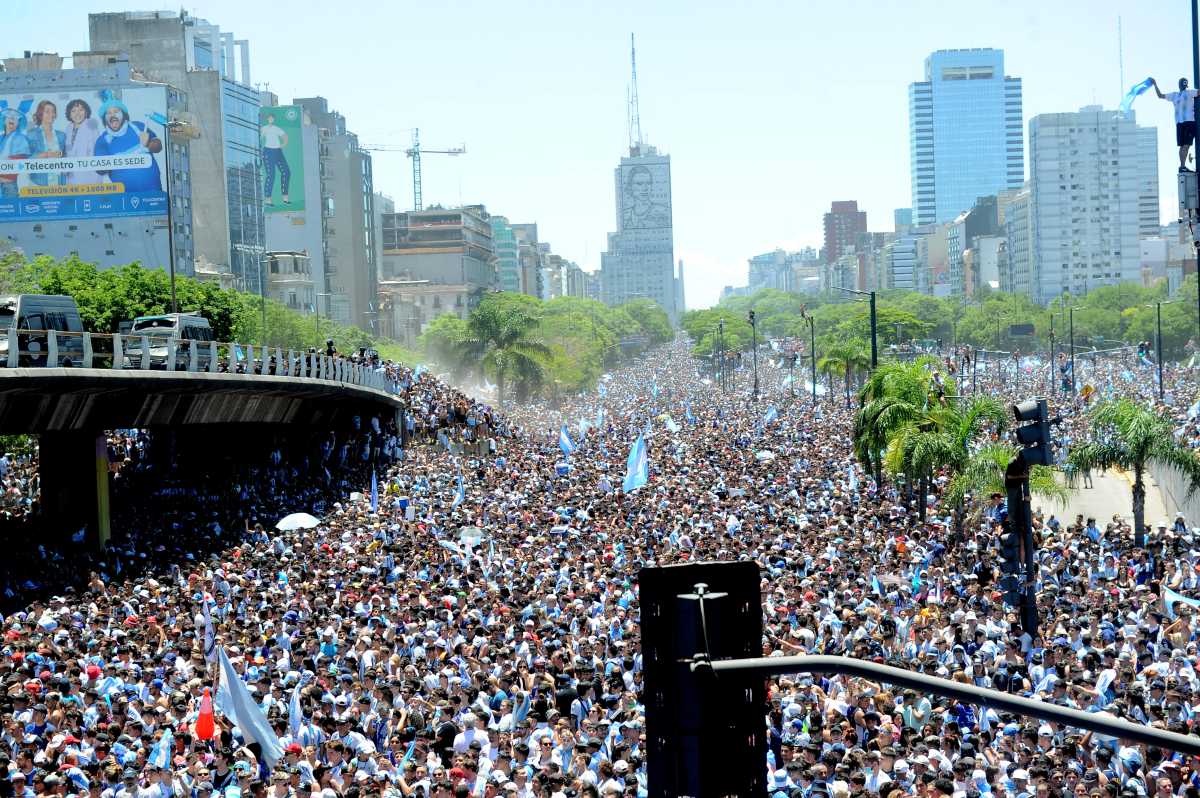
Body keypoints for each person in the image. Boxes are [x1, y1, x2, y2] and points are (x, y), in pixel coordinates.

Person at [92, 97, 163, 193]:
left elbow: (158, 146)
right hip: (125, 199)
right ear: (105, 119)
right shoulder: (102, 140)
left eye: (116, 111)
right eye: (108, 113)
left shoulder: (138, 127)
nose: (112, 115)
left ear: (124, 115)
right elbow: (99, 170)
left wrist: (149, 145)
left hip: (153, 193)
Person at [1153, 77, 1200, 171]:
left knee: (1183, 145)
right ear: (1186, 85)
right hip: (1189, 122)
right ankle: (1182, 166)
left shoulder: (1175, 95)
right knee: (1185, 145)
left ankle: (1182, 166)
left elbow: (1160, 95)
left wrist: (1155, 84)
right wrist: (1155, 84)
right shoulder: (1189, 92)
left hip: (1179, 123)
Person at [25, 100, 67, 187]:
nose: (51, 114)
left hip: (58, 182)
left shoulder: (61, 135)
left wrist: (59, 154)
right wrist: (45, 154)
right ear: (40, 114)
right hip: (38, 183)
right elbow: (26, 160)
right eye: (47, 111)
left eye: (53, 112)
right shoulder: (31, 134)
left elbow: (64, 155)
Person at [62, 98, 102, 185]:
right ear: (69, 114)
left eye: (81, 110)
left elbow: (95, 151)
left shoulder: (91, 126)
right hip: (72, 173)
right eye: (73, 111)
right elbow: (68, 151)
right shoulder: (68, 128)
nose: (77, 113)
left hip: (89, 174)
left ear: (86, 112)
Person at [261, 112, 291, 207]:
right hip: (268, 151)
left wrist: (282, 145)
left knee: (286, 172)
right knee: (271, 175)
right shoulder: (263, 128)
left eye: (272, 118)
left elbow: (285, 136)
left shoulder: (276, 128)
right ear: (267, 119)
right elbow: (258, 138)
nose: (271, 119)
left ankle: (285, 198)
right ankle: (268, 199)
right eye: (269, 118)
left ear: (273, 119)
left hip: (278, 151)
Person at [0, 107, 30, 198]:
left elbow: (18, 164)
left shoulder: (21, 139)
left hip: (8, 186)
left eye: (16, 118)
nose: (12, 119)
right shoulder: (1, 137)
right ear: (4, 120)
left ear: (18, 123)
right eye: (9, 116)